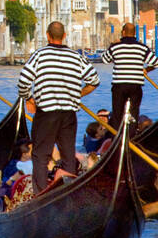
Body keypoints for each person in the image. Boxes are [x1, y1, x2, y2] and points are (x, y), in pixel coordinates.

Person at [16, 20, 99, 194]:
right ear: (64, 36)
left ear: (47, 35)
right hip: (68, 114)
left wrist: (29, 98)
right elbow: (94, 81)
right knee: (68, 154)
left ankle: (40, 194)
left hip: (46, 113)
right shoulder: (76, 56)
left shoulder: (40, 55)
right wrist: (77, 94)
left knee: (40, 155)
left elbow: (23, 81)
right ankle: (69, 191)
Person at [101, 22, 158, 132]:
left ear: (123, 32)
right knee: (133, 114)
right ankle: (131, 138)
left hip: (119, 86)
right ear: (134, 34)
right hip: (135, 86)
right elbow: (157, 63)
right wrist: (146, 70)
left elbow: (104, 60)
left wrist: (111, 44)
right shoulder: (142, 48)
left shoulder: (115, 47)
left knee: (117, 114)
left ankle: (117, 137)